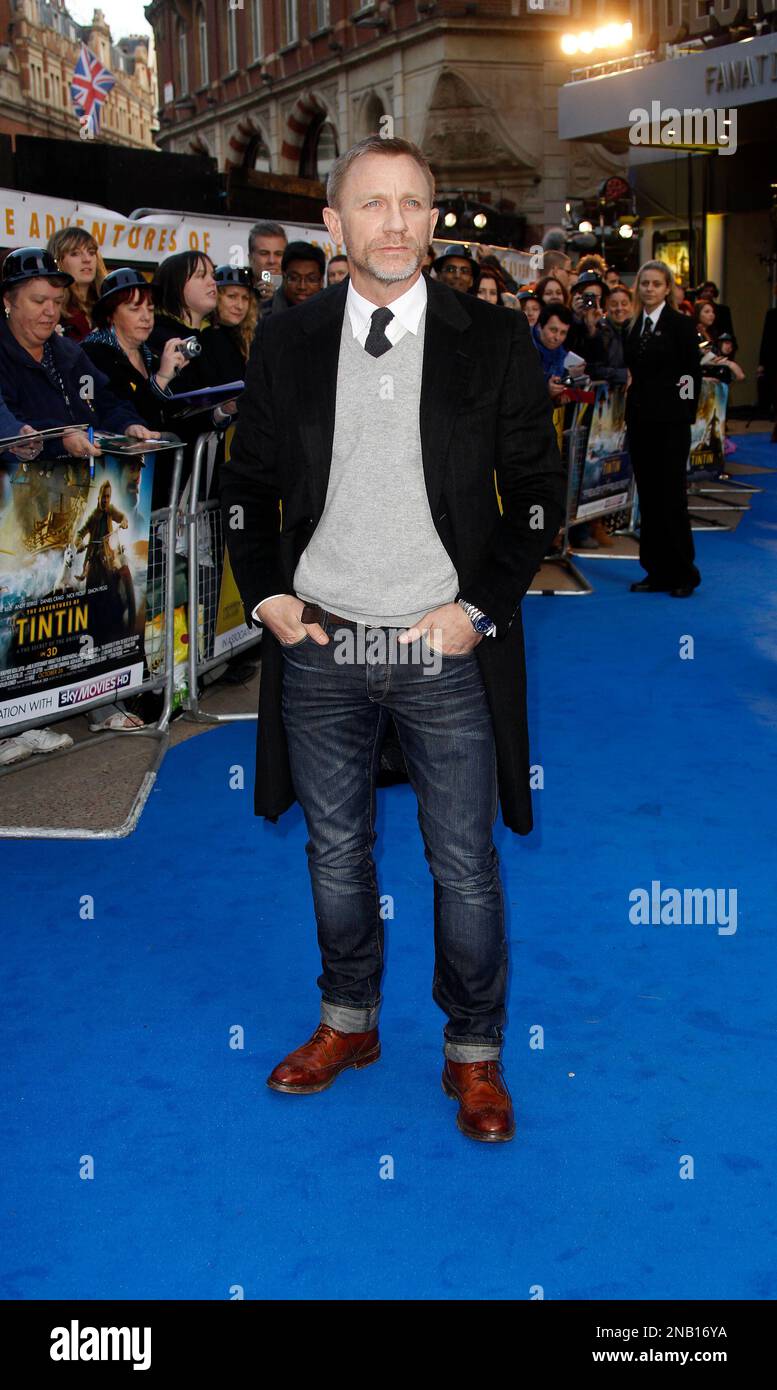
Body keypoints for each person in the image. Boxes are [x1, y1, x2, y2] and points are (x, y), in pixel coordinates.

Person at [220, 134, 566, 1143]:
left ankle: (473, 1052)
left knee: (462, 862)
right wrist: (268, 598)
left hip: (441, 645)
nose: (397, 222)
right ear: (334, 224)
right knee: (336, 852)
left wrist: (480, 609)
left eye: (413, 202)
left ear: (431, 216)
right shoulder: (286, 340)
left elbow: (540, 500)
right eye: (373, 204)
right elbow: (244, 492)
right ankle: (349, 1022)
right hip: (321, 642)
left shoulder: (493, 340)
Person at [0, 247, 160, 757]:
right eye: (37, 300)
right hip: (17, 507)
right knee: (24, 613)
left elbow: (104, 400)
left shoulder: (68, 352)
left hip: (76, 501)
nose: (49, 310)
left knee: (79, 605)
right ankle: (12, 724)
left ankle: (97, 699)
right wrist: (31, 435)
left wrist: (128, 423)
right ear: (8, 303)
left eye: (56, 300)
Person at [624, 258, 702, 597]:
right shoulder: (631, 325)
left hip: (671, 425)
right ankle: (655, 571)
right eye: (645, 284)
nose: (650, 289)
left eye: (656, 284)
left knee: (672, 499)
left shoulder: (681, 325)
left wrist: (684, 410)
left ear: (667, 288)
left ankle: (683, 573)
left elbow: (690, 373)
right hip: (641, 424)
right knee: (650, 499)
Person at [81, 267, 191, 432]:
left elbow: (178, 417)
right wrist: (161, 379)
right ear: (110, 315)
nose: (146, 317)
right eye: (135, 309)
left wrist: (220, 412)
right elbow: (120, 415)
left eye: (151, 309)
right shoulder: (91, 355)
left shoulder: (152, 356)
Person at [47, 227, 106, 341]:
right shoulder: (51, 310)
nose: (87, 259)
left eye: (91, 252)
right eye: (75, 253)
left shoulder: (109, 307)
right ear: (58, 261)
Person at [261, 242, 326, 316]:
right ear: (284, 277)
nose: (302, 286)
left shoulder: (334, 312)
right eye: (294, 278)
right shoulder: (264, 314)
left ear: (322, 281)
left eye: (311, 279)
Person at [586, 282, 632, 386]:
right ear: (606, 306)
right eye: (614, 304)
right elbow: (593, 369)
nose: (619, 308)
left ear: (631, 305)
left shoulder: (639, 330)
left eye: (624, 304)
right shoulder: (599, 329)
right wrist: (624, 375)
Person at [248, 220, 287, 313]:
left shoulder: (299, 293)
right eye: (264, 253)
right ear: (250, 258)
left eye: (278, 254)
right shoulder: (236, 294)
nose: (272, 261)